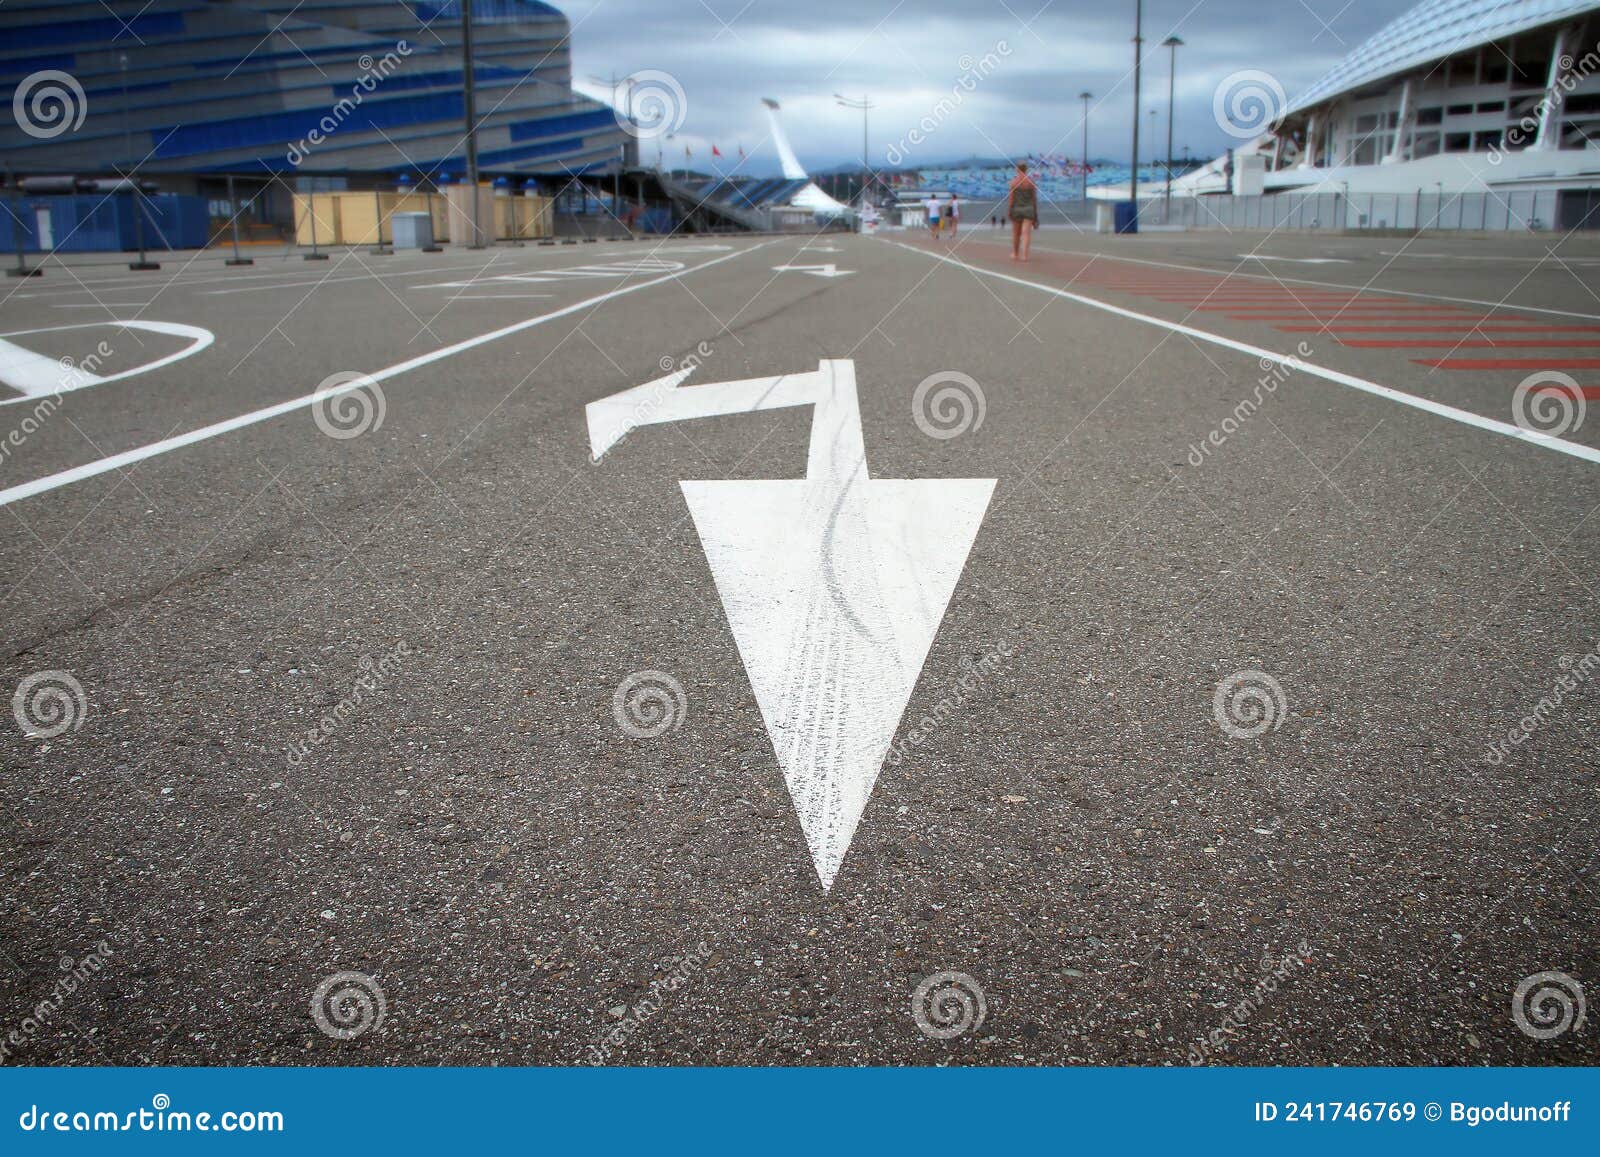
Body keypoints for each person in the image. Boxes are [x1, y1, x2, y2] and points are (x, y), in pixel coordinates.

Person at [1008, 162, 1038, 261]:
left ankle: (1016, 253)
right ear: (1026, 169)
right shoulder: (1031, 182)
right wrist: (1035, 214)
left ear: (1017, 169)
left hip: (1017, 209)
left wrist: (1009, 211)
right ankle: (1024, 255)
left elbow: (1011, 199)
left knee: (1016, 233)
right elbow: (1034, 199)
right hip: (1029, 209)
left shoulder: (1013, 182)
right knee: (1026, 233)